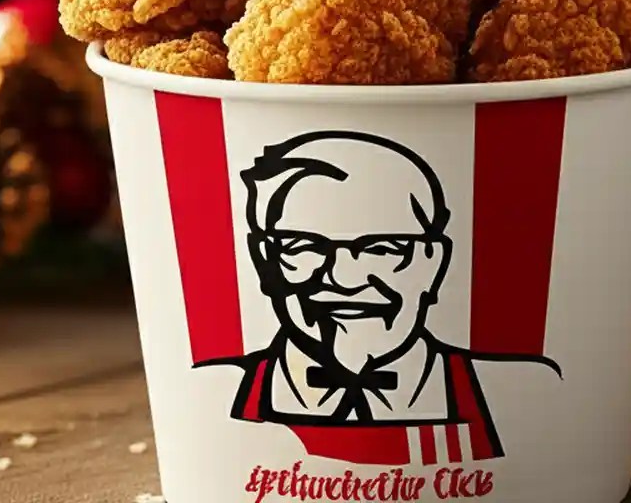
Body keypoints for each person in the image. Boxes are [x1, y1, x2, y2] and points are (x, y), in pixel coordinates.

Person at [198, 131, 559, 464]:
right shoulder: (209, 395)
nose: (344, 278)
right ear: (264, 261)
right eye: (305, 246)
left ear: (433, 263)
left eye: (383, 248)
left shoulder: (521, 389)